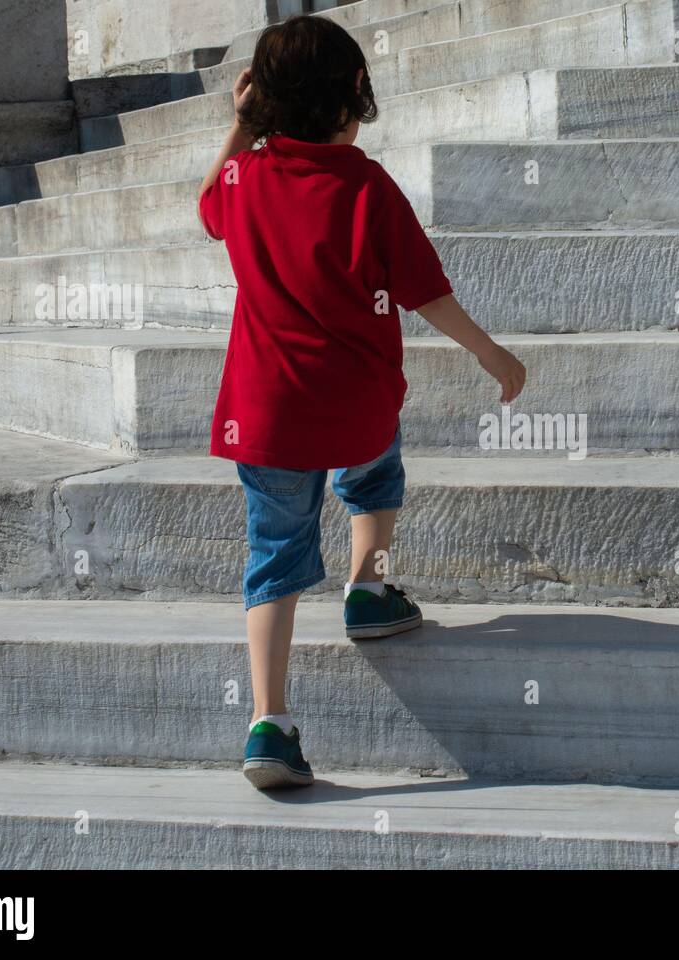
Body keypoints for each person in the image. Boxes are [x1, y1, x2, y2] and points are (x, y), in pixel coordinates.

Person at [196, 14, 526, 789]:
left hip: (267, 415)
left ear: (262, 102)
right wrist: (489, 351)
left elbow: (209, 207)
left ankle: (269, 725)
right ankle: (368, 590)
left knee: (273, 560)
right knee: (373, 479)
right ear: (353, 97)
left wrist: (238, 132)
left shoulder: (244, 180)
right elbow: (425, 292)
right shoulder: (367, 186)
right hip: (357, 403)